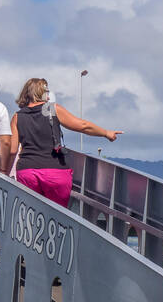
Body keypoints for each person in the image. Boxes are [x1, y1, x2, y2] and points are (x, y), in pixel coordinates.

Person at [10, 77, 120, 208]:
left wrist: (4, 171)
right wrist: (106, 133)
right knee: (56, 218)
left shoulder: (17, 117)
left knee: (29, 214)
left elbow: (12, 150)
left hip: (27, 172)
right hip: (54, 172)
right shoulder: (52, 109)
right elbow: (83, 126)